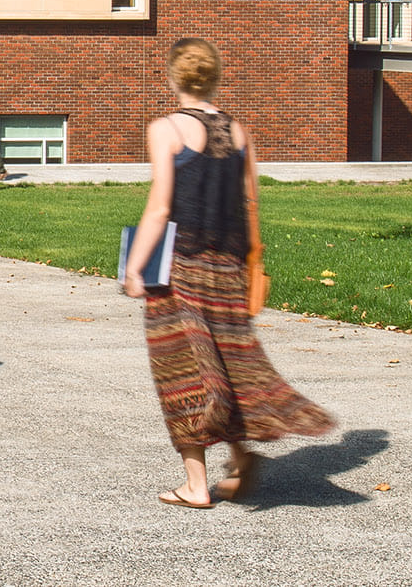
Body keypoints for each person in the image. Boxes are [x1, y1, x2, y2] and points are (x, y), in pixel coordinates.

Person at [119, 38, 331, 507]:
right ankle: (239, 454)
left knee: (182, 372)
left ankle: (196, 485)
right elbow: (250, 200)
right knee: (229, 366)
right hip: (229, 267)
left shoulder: (166, 129)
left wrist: (135, 267)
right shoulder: (238, 131)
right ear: (214, 78)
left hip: (180, 268)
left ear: (173, 78)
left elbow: (159, 207)